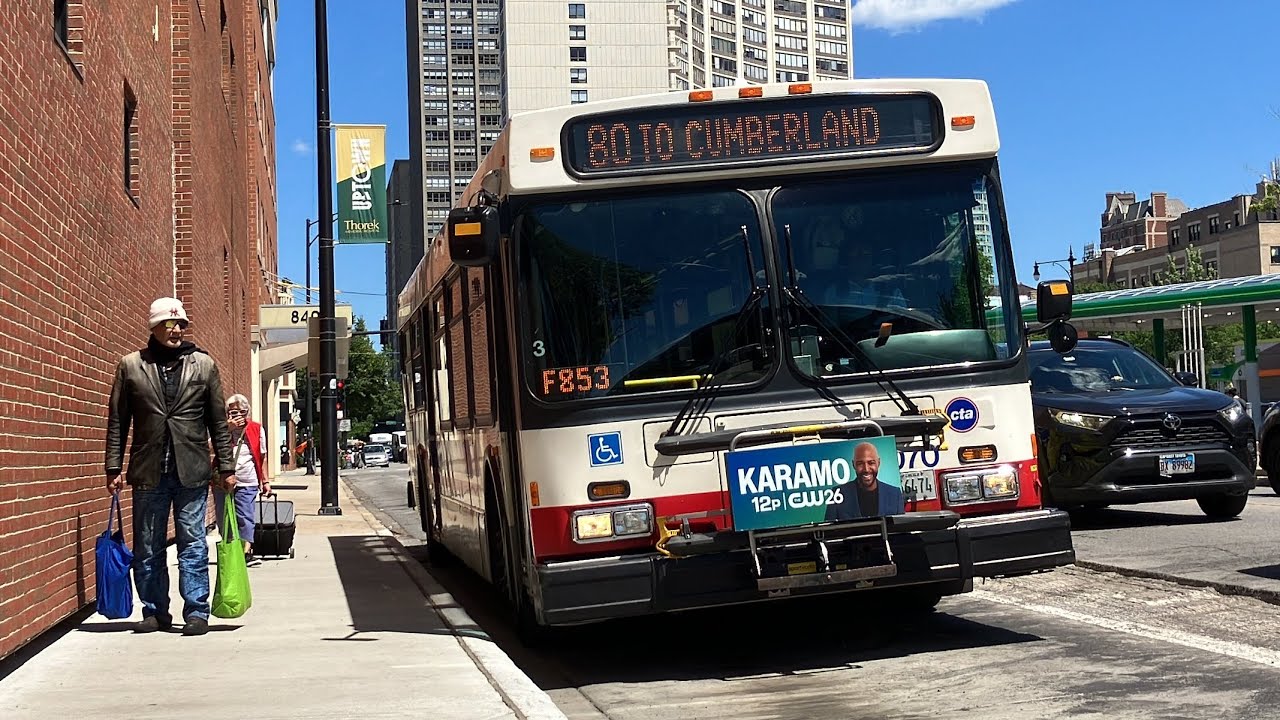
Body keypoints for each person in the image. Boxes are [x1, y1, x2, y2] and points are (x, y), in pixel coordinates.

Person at [104, 297, 236, 636]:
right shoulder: (131, 366)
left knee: (193, 543)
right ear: (154, 327)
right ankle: (154, 611)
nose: (176, 330)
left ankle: (196, 611)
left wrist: (226, 467)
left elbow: (218, 422)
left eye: (181, 324)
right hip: (149, 471)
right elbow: (118, 420)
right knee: (148, 546)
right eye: (169, 324)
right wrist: (113, 467)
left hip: (191, 470)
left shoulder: (203, 365)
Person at [215, 394, 270, 567]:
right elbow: (207, 447)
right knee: (223, 518)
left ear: (248, 412)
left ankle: (245, 552)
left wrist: (265, 481)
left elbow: (262, 456)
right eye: (233, 412)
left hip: (247, 480)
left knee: (245, 517)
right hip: (222, 480)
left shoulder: (256, 429)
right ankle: (231, 549)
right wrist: (227, 429)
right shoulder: (220, 428)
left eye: (242, 412)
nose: (238, 415)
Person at [825, 442, 904, 521]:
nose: (866, 469)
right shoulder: (837, 493)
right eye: (860, 464)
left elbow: (901, 527)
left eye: (871, 463)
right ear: (853, 465)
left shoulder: (895, 495)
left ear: (878, 463)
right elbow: (829, 527)